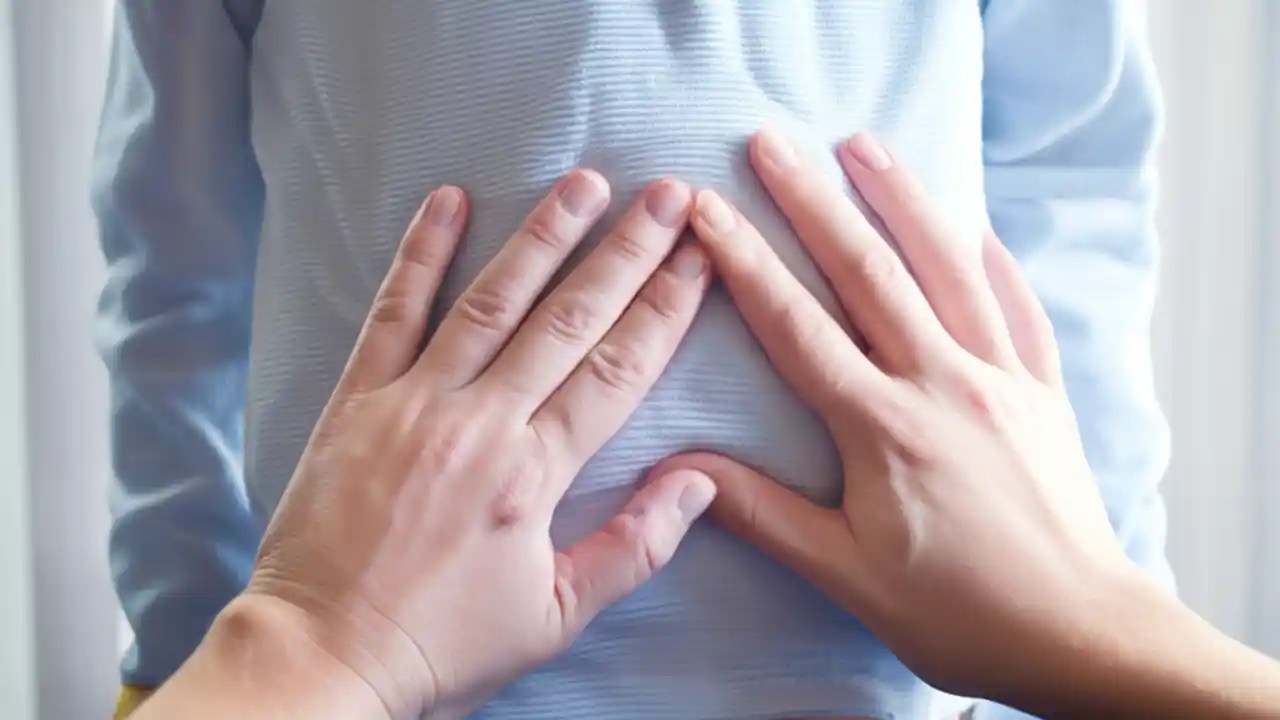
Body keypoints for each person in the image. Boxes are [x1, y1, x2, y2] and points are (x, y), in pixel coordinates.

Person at [94, 2, 1171, 718]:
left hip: (905, 676)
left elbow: (1063, 201)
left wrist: (1103, 613)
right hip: (391, 686)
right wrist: (192, 644)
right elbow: (178, 263)